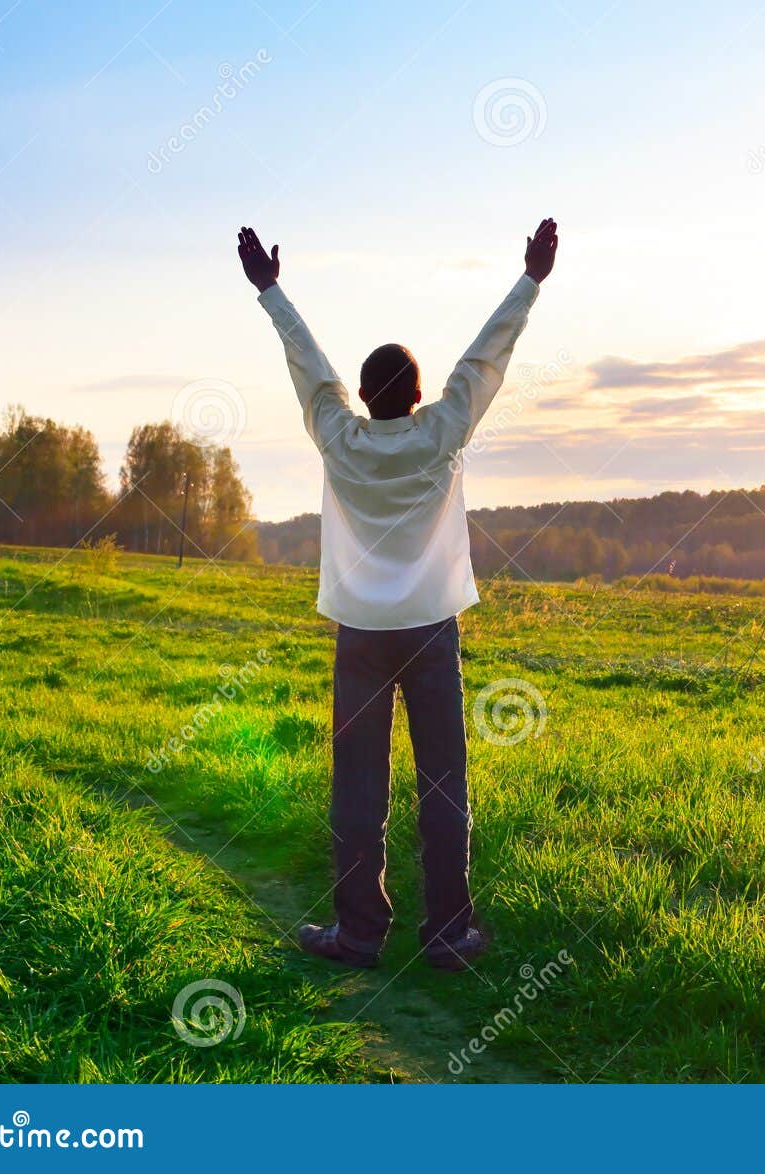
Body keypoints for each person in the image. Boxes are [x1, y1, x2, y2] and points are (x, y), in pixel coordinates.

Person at [236, 219, 558, 970]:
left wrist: (270, 291)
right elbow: (485, 357)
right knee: (443, 784)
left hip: (360, 631)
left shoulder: (338, 439)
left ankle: (358, 935)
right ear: (416, 396)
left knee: (358, 789)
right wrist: (532, 278)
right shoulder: (442, 430)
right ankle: (448, 936)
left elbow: (309, 369)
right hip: (428, 630)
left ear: (365, 397)